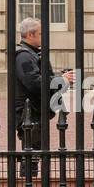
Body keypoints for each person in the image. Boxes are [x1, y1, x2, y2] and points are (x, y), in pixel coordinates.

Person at [13, 18, 75, 176]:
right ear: (30, 34)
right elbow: (33, 82)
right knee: (31, 154)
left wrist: (60, 78)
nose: (44, 36)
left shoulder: (32, 54)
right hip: (28, 112)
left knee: (34, 153)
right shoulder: (24, 56)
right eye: (41, 33)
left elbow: (41, 78)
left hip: (35, 110)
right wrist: (60, 80)